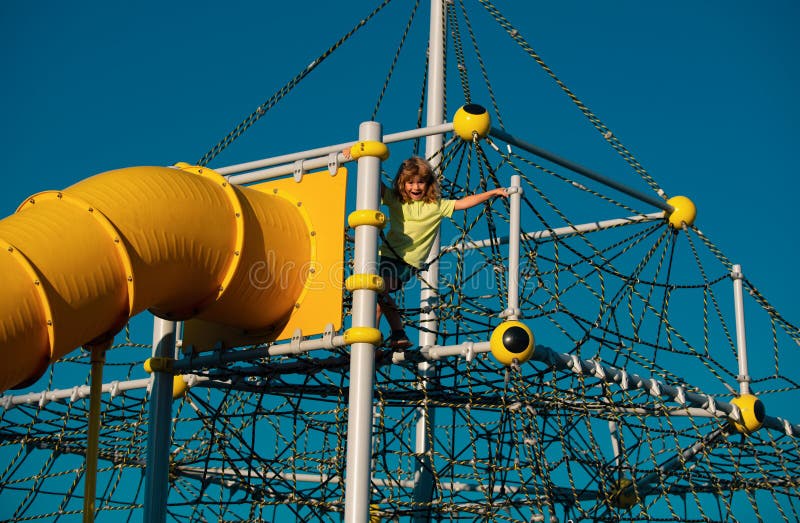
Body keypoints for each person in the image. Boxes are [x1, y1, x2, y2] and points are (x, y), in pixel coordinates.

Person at [376, 156, 508, 349]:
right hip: (384, 255)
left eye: (420, 182)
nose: (415, 187)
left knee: (376, 293)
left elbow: (464, 203)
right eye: (410, 183)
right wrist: (360, 158)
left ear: (428, 184)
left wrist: (492, 193)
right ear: (401, 184)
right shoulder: (396, 200)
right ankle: (396, 334)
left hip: (406, 262)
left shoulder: (435, 206)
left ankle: (374, 343)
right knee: (375, 296)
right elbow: (376, 185)